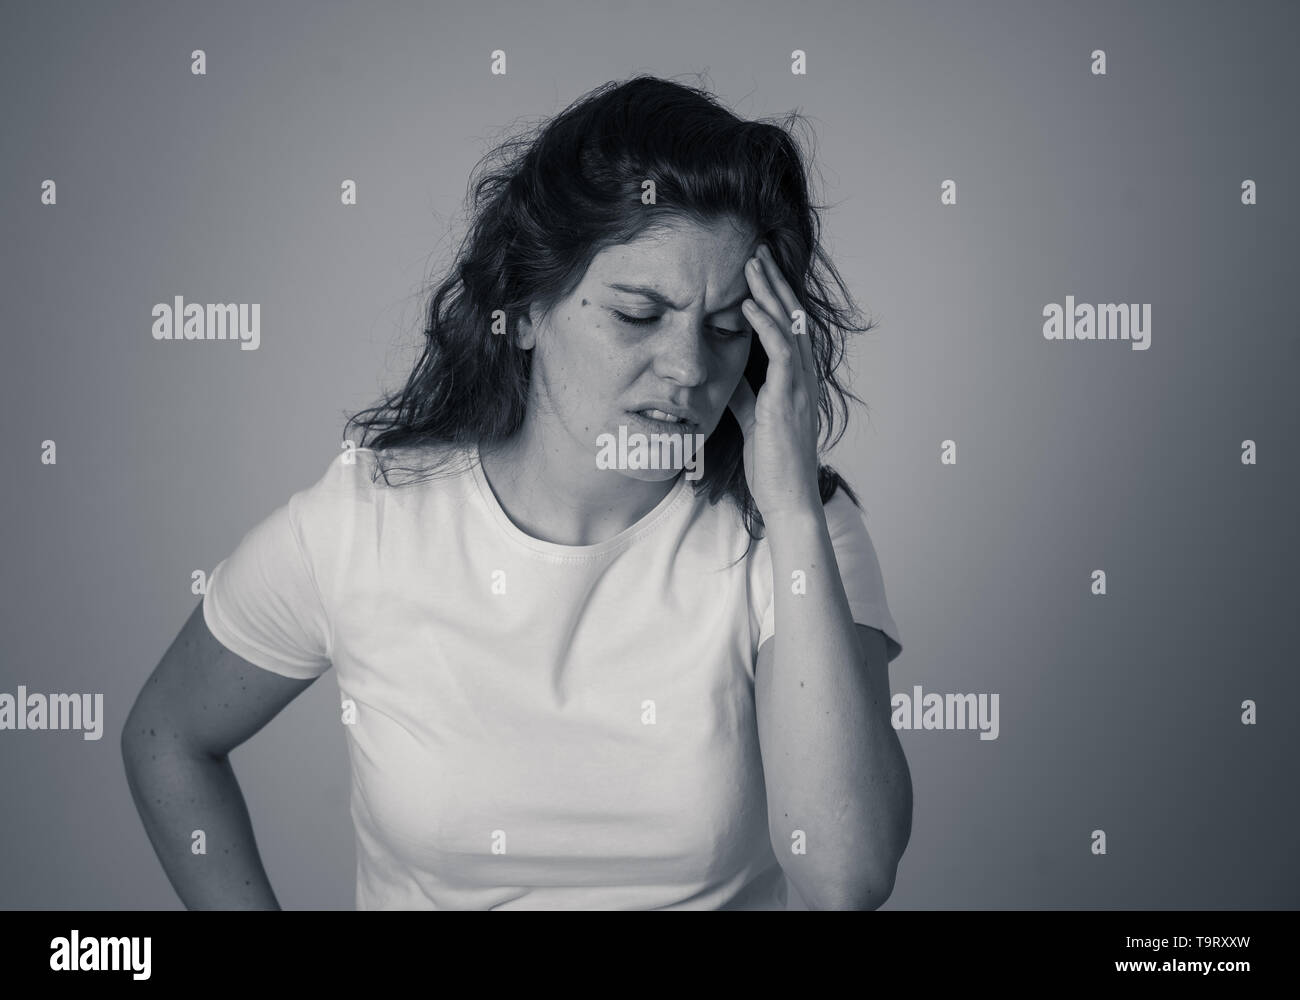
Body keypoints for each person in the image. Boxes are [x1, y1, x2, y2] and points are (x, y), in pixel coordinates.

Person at [122, 74, 911, 910]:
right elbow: (167, 736)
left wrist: (790, 510)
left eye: (723, 330)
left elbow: (844, 876)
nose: (688, 368)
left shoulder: (796, 531)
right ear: (528, 309)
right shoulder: (367, 521)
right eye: (639, 315)